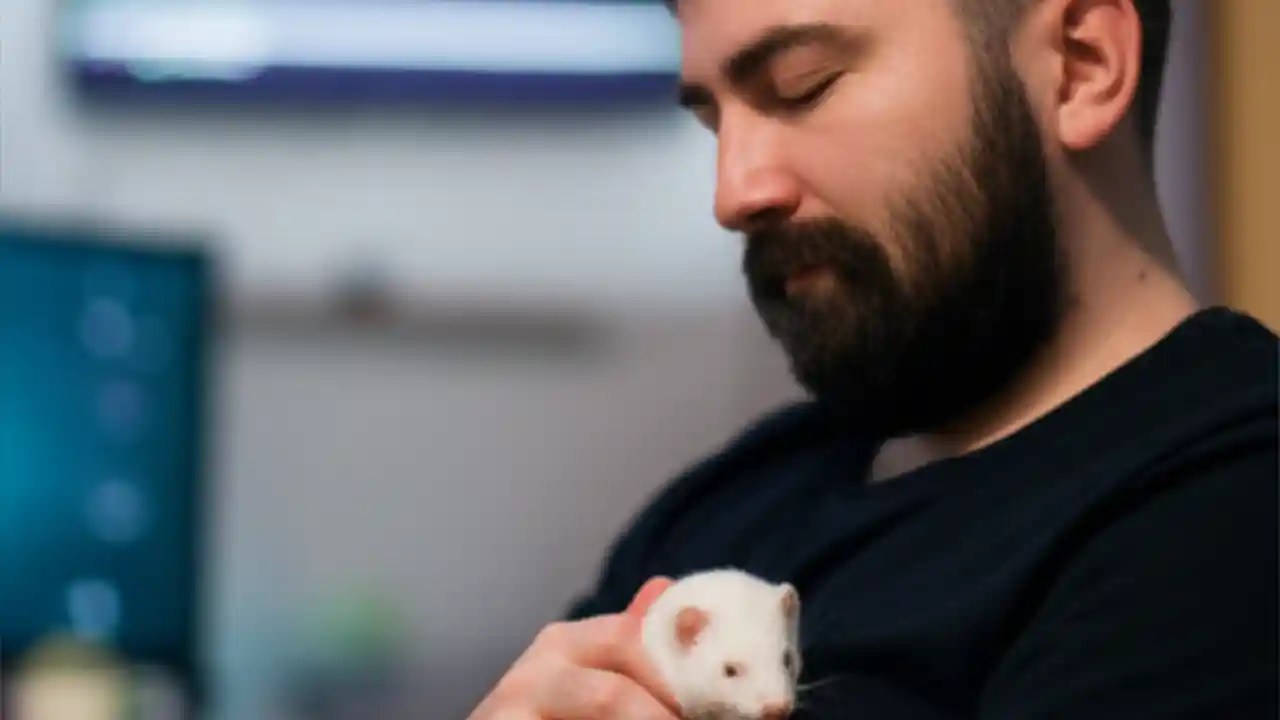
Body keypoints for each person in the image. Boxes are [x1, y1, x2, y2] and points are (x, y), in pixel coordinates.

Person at [468, 0, 1278, 717]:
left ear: (1081, 66)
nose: (733, 193)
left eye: (803, 85)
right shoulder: (724, 508)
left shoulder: (1230, 513)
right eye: (713, 121)